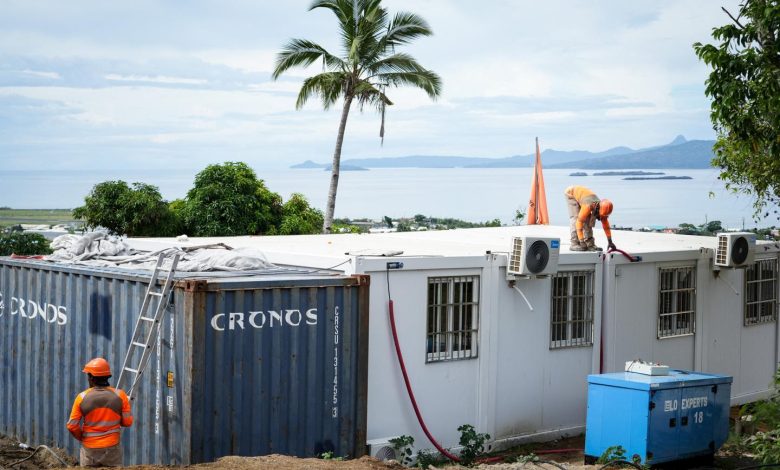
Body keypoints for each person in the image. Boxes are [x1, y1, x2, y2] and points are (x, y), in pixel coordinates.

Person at [66, 358, 133, 467]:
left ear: (91, 378)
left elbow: (71, 426)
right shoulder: (120, 395)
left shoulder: (81, 397)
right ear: (107, 376)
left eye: (88, 376)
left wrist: (83, 437)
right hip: (112, 449)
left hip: (90, 450)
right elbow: (127, 422)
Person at [564, 185, 617, 252]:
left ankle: (590, 244)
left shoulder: (603, 207)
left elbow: (606, 226)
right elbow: (579, 222)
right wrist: (581, 241)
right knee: (576, 218)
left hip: (584, 197)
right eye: (601, 215)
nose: (601, 217)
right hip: (571, 194)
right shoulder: (588, 206)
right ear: (598, 209)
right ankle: (574, 244)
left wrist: (610, 241)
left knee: (587, 220)